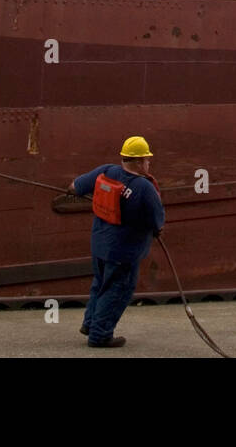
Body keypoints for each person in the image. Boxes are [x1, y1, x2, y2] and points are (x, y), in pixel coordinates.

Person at [69, 136, 165, 348]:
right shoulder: (144, 188)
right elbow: (157, 221)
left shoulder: (106, 171)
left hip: (99, 244)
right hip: (124, 252)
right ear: (139, 162)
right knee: (117, 290)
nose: (149, 164)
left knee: (101, 284)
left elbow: (75, 187)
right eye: (147, 159)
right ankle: (100, 335)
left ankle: (90, 323)